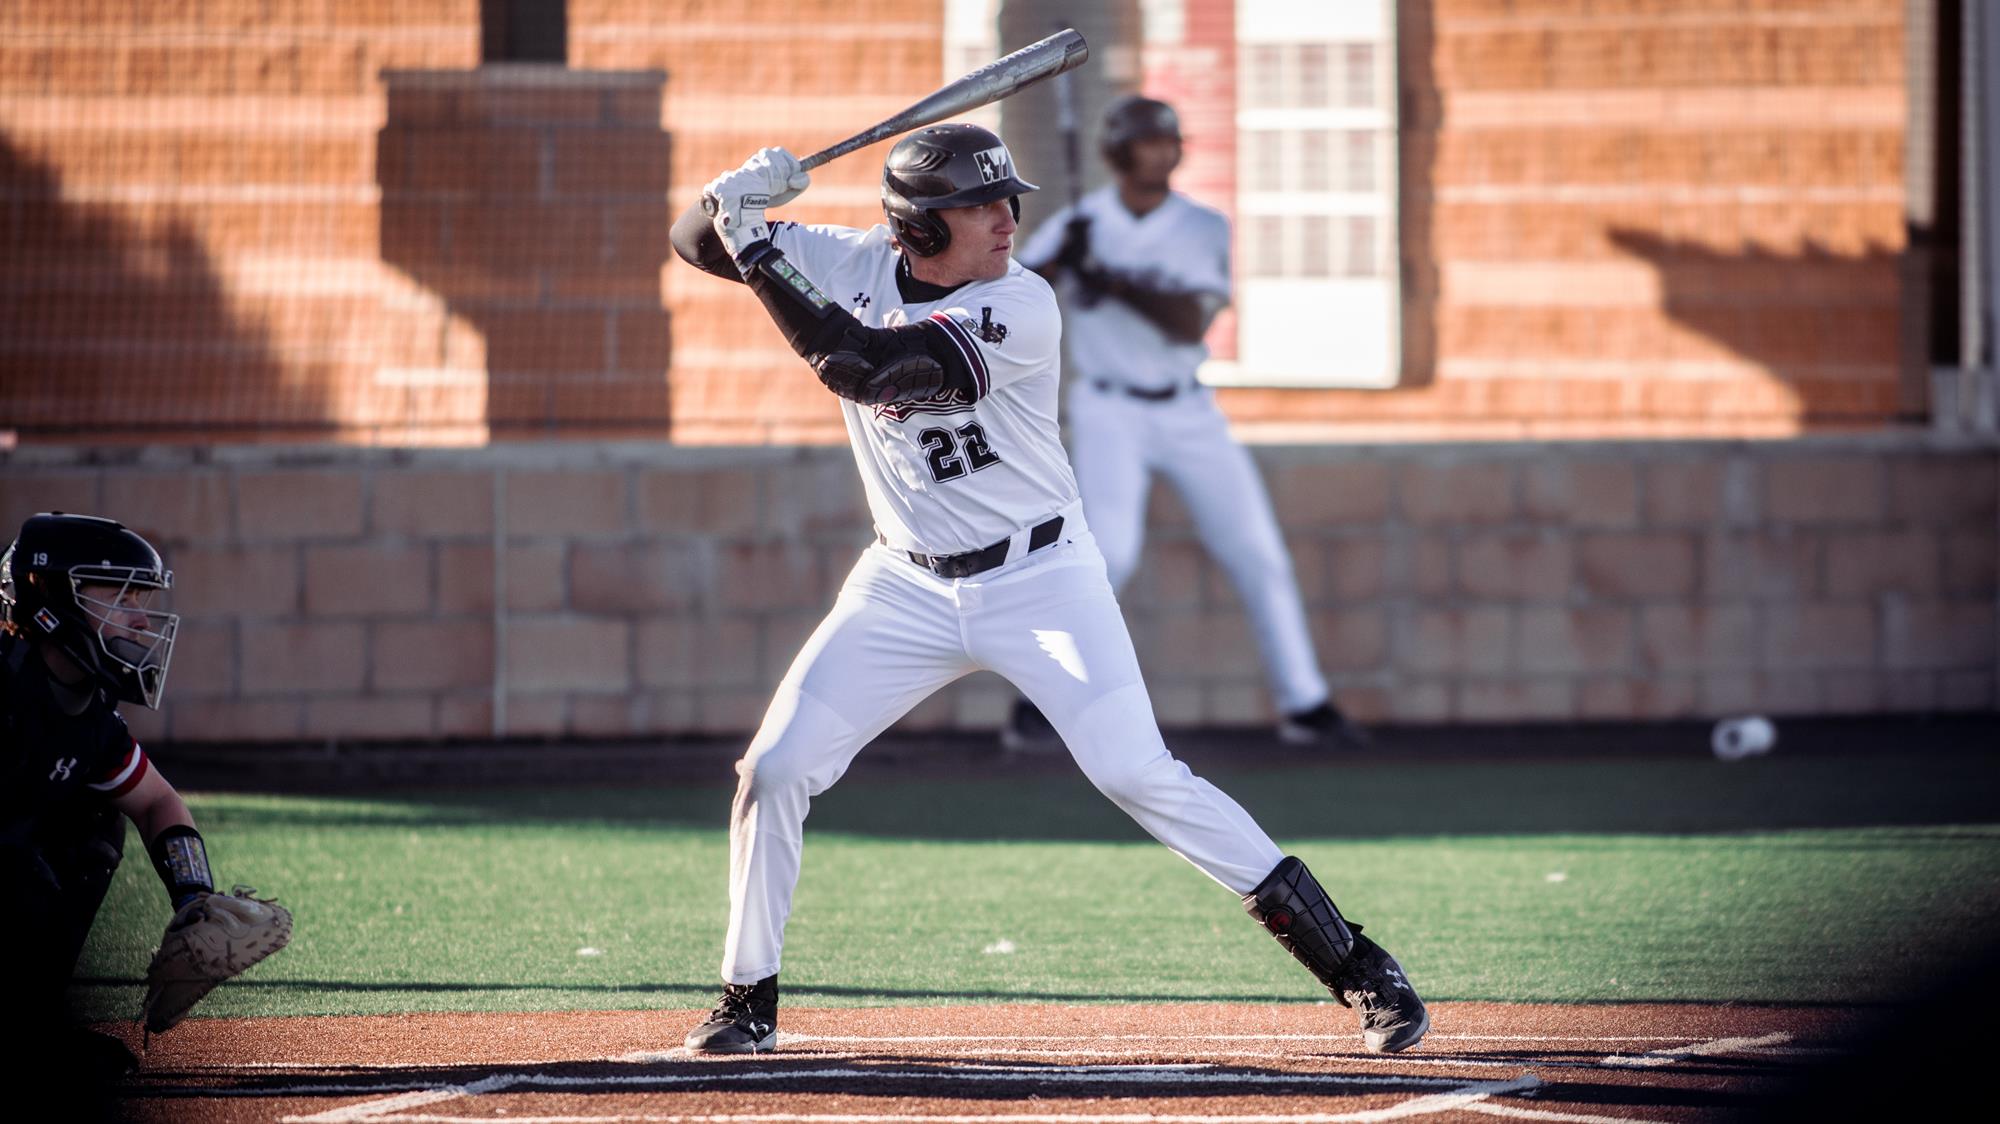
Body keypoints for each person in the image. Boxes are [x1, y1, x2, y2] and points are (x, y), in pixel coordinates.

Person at [668, 124, 1427, 1056]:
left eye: (1005, 200)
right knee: (773, 769)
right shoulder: (852, 258)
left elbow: (867, 371)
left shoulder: (1020, 303)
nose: (1005, 219)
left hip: (1041, 578)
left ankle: (1359, 967)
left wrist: (751, 240)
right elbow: (694, 242)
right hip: (902, 584)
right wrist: (736, 199)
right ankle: (748, 999)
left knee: (1135, 773)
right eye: (978, 206)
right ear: (918, 227)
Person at [1011, 94, 1365, 751]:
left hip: (1188, 406)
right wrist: (1060, 263)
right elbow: (1012, 296)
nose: (1163, 150)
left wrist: (1107, 278)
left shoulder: (1203, 225)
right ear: (1119, 152)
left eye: (1170, 139)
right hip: (1108, 408)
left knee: (1259, 553)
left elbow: (1189, 321)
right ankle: (1042, 705)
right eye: (1148, 140)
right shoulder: (1079, 222)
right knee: (1108, 555)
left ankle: (1305, 703)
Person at [1, 513, 219, 1078]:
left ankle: (32, 1027)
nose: (142, 617)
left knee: (97, 826)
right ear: (52, 595)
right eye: (121, 595)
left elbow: (156, 803)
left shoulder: (89, 712)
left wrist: (196, 902)